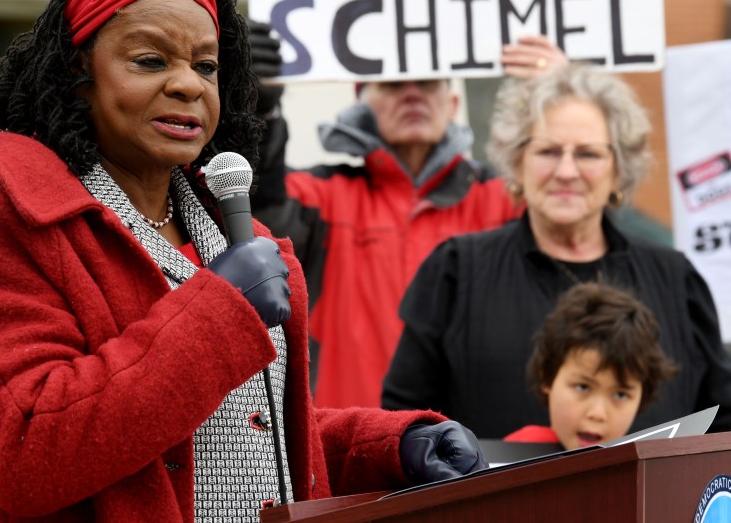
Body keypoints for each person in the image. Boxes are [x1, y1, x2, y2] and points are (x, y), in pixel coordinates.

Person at [0, 0, 489, 522]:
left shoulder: (227, 227)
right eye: (151, 60)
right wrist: (220, 310)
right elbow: (27, 450)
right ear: (79, 72)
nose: (189, 85)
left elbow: (237, 438)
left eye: (205, 65)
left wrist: (390, 446)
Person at [382, 63, 731, 438]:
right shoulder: (456, 271)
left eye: (588, 154)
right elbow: (403, 424)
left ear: (619, 170)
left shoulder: (675, 280)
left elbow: (720, 420)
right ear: (517, 163)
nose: (566, 171)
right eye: (548, 151)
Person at [250, 23, 566, 409]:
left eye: (429, 81)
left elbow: (579, 210)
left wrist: (561, 97)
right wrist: (256, 108)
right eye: (394, 83)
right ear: (361, 99)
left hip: (484, 453)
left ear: (452, 104)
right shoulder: (321, 195)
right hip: (350, 449)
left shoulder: (503, 198)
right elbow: (259, 208)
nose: (412, 93)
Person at [504, 282, 679, 448]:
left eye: (620, 395)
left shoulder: (650, 473)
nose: (597, 414)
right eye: (582, 387)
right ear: (547, 377)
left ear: (642, 396)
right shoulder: (503, 465)